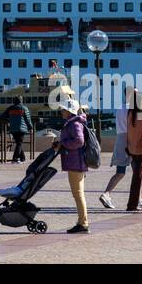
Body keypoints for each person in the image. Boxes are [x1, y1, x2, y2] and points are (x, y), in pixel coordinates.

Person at [52, 96, 90, 233]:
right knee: (78, 193)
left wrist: (63, 144)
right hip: (76, 162)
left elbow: (79, 141)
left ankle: (83, 223)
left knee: (78, 194)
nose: (62, 111)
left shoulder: (74, 123)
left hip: (76, 162)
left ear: (70, 111)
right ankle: (82, 222)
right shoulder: (73, 122)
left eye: (64, 109)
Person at [100, 86, 136, 208]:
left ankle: (106, 193)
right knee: (139, 172)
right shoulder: (133, 109)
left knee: (120, 172)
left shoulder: (120, 108)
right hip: (131, 140)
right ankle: (139, 198)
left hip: (120, 139)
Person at [4, 96, 33, 164]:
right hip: (21, 129)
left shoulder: (10, 108)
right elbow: (27, 119)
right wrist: (30, 128)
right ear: (21, 100)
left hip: (13, 129)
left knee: (18, 143)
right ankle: (15, 159)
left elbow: (3, 117)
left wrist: (9, 121)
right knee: (19, 143)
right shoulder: (24, 108)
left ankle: (23, 158)